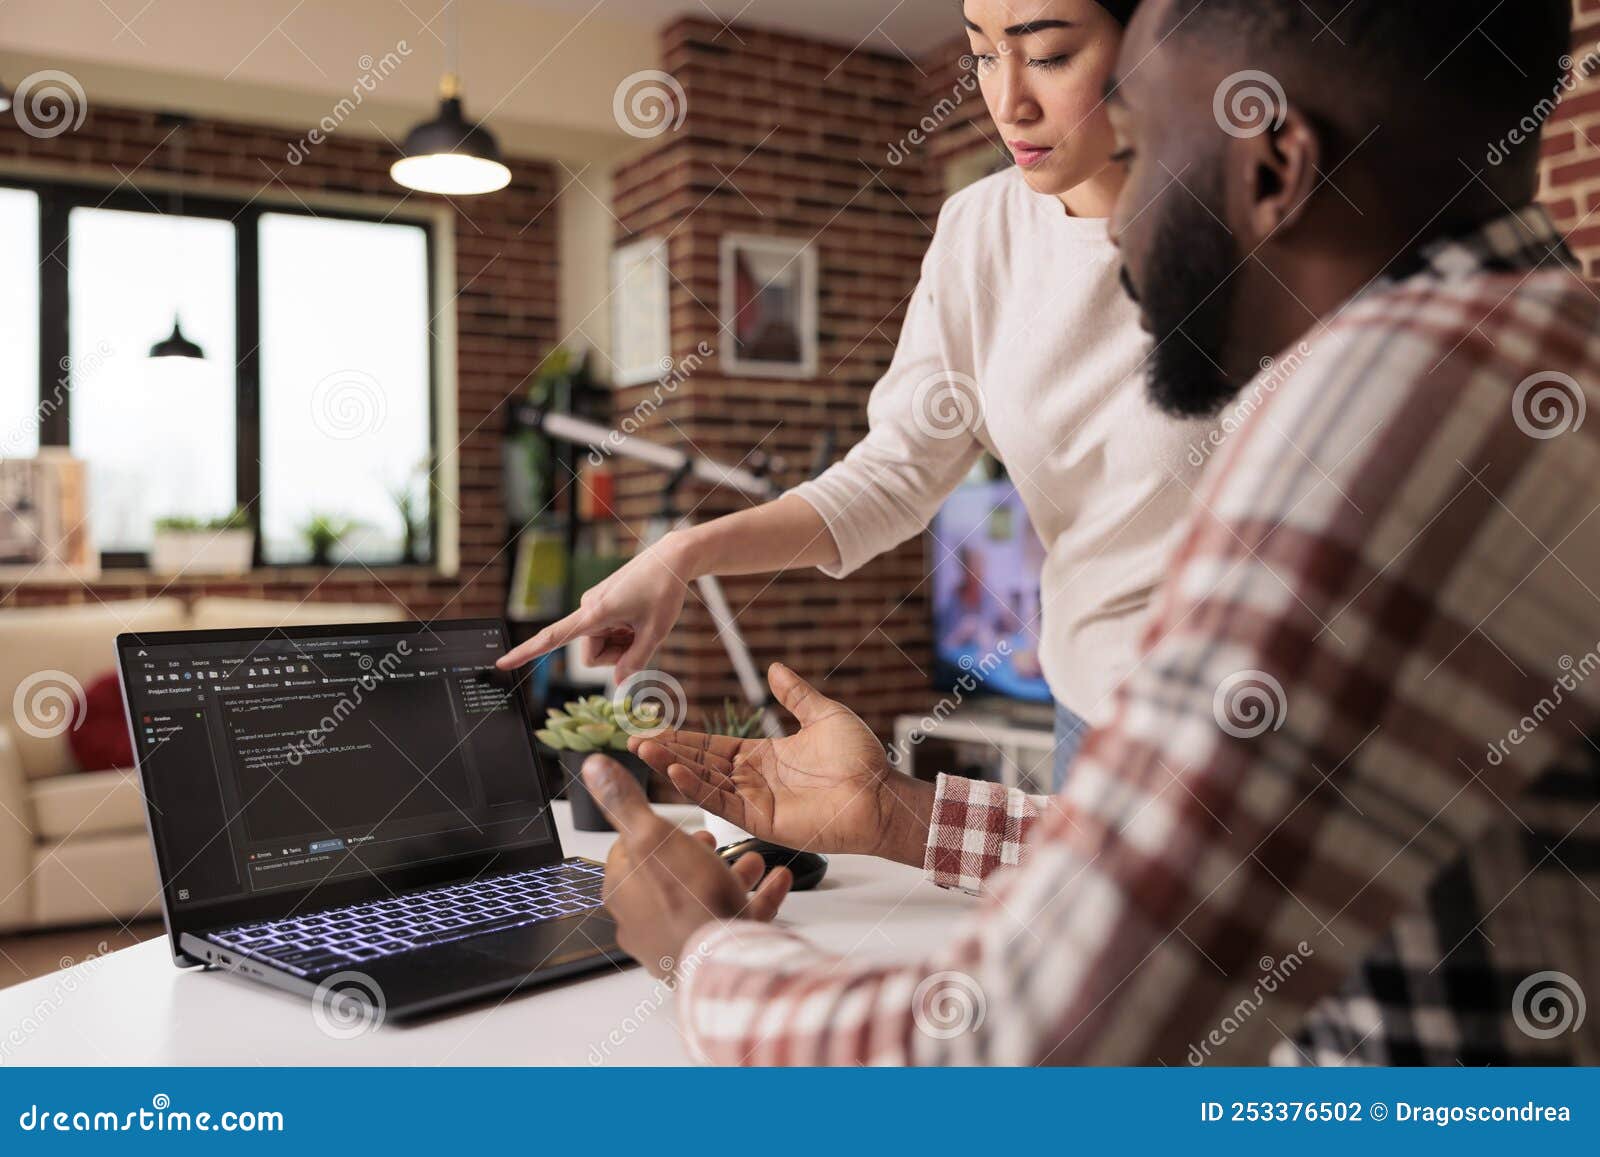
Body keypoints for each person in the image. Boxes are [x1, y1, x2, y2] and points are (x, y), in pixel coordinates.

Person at [581, 0, 1600, 1066]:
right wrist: (900, 815)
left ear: (1271, 165)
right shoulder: (1519, 339)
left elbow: (1029, 1045)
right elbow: (1216, 873)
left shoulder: (1395, 427)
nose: (1109, 220)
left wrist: (700, 949)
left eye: (1150, 138)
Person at [501, 0, 1215, 788]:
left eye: (1046, 56)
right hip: (1094, 701)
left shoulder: (1261, 220)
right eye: (981, 56)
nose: (1008, 101)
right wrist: (680, 554)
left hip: (1260, 700)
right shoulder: (982, 230)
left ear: (1153, 40)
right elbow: (896, 472)